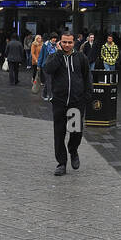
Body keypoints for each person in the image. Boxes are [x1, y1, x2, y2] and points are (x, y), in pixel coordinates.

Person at [42, 30, 92, 176]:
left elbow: (87, 76)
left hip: (76, 102)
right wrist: (58, 53)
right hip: (59, 102)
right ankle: (61, 163)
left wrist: (87, 95)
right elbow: (48, 69)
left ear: (74, 42)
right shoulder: (54, 57)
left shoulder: (81, 58)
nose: (67, 45)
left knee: (76, 131)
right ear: (60, 42)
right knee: (59, 133)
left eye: (70, 42)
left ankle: (73, 150)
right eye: (64, 42)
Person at [40, 33, 58, 101]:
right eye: (53, 38)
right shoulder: (45, 45)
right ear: (50, 38)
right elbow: (41, 55)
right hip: (46, 65)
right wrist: (39, 65)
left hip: (53, 65)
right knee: (49, 81)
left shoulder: (56, 46)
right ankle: (50, 96)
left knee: (50, 81)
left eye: (55, 38)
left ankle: (44, 94)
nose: (54, 39)